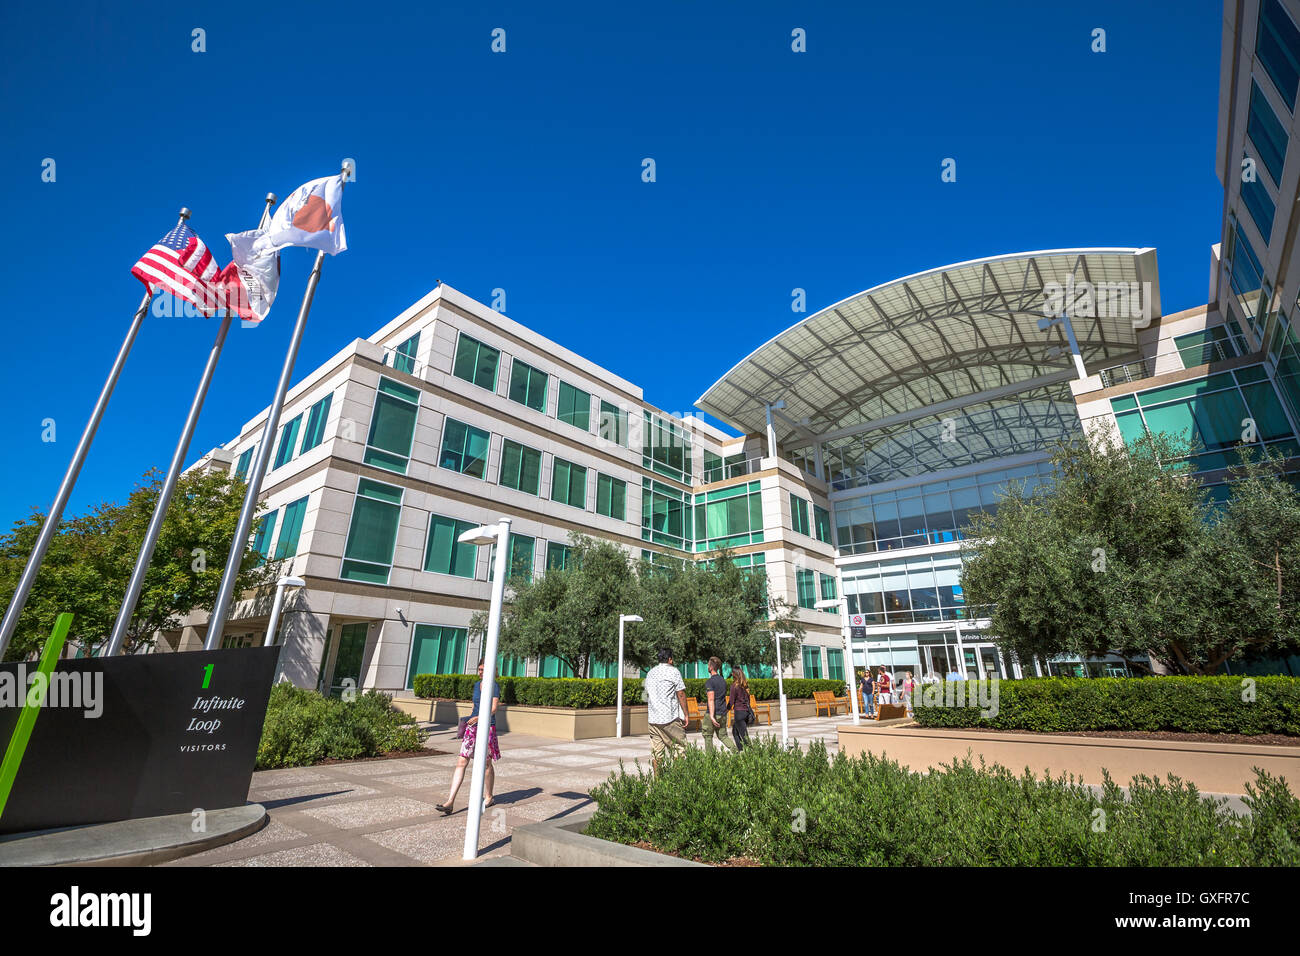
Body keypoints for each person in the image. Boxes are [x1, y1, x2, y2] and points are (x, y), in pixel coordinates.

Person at [436, 659, 500, 815]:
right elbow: (474, 706)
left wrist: (478, 717)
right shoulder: (476, 686)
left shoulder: (494, 686)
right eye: (479, 669)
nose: (480, 672)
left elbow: (493, 708)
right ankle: (450, 801)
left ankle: (489, 796)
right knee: (461, 761)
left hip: (487, 727)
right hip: (472, 727)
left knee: (486, 764)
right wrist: (470, 720)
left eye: (483, 669)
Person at [644, 647, 689, 772]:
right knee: (680, 747)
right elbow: (681, 694)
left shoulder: (650, 673)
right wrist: (686, 714)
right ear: (670, 659)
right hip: (669, 719)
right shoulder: (673, 672)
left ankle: (658, 782)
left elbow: (647, 693)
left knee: (657, 753)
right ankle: (678, 780)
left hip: (653, 719)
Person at [700, 656, 734, 753]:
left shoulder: (710, 682)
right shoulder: (723, 681)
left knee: (708, 736)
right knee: (723, 736)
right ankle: (735, 751)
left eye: (708, 665)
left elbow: (711, 699)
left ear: (711, 667)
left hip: (713, 713)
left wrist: (711, 716)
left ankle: (710, 761)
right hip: (722, 713)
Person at [728, 667, 753, 751]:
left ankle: (749, 753)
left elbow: (731, 702)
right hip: (746, 713)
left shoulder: (734, 686)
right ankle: (741, 750)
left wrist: (724, 711)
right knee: (735, 732)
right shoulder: (745, 686)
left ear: (734, 675)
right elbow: (748, 700)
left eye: (732, 673)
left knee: (744, 737)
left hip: (739, 713)